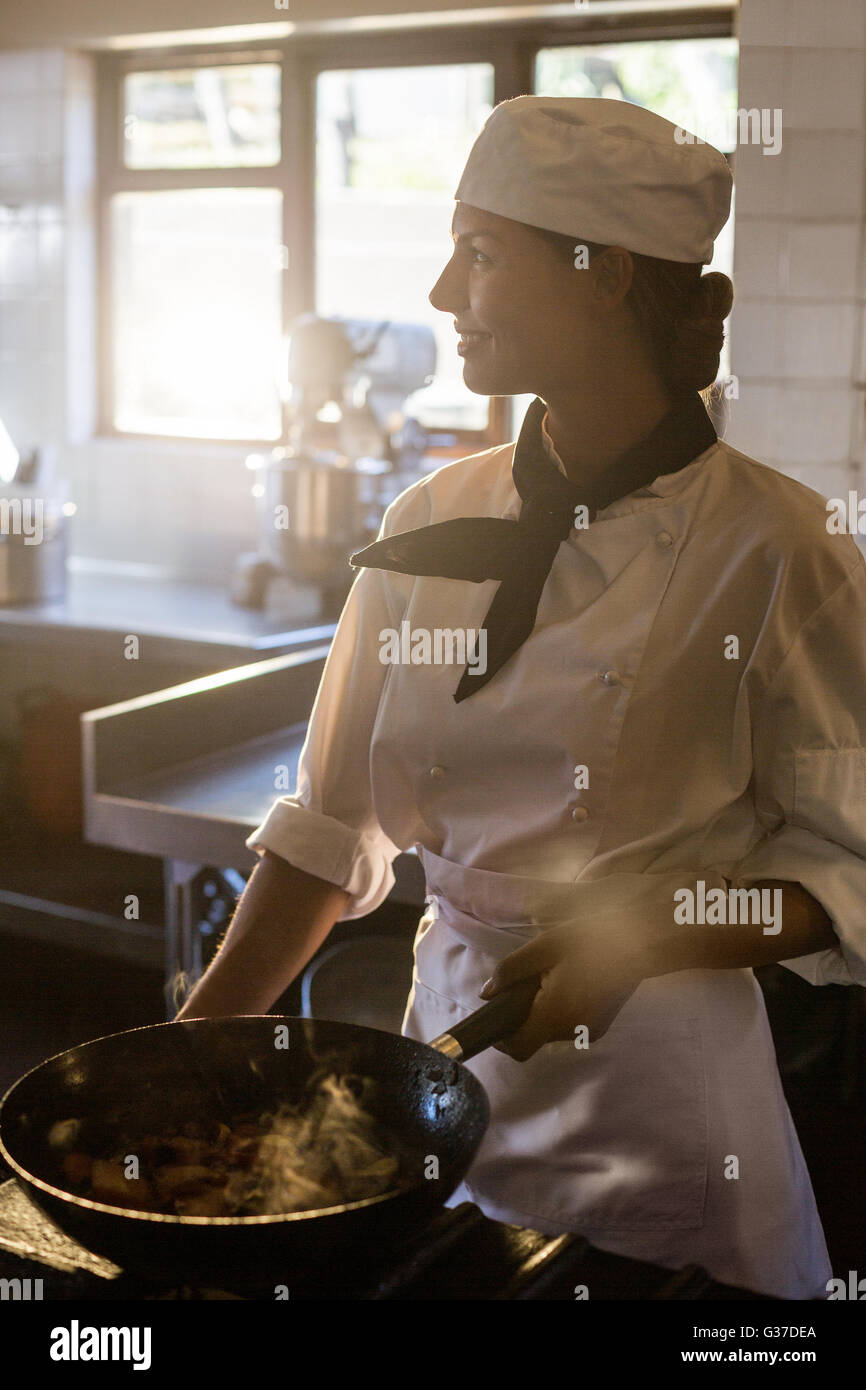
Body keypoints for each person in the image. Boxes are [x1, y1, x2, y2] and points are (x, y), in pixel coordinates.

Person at [177, 97, 866, 1300]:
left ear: (602, 278)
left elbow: (852, 868)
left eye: (482, 253)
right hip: (444, 1074)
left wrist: (646, 934)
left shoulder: (779, 548)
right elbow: (329, 829)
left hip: (665, 1109)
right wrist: (181, 1056)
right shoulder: (430, 522)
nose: (444, 292)